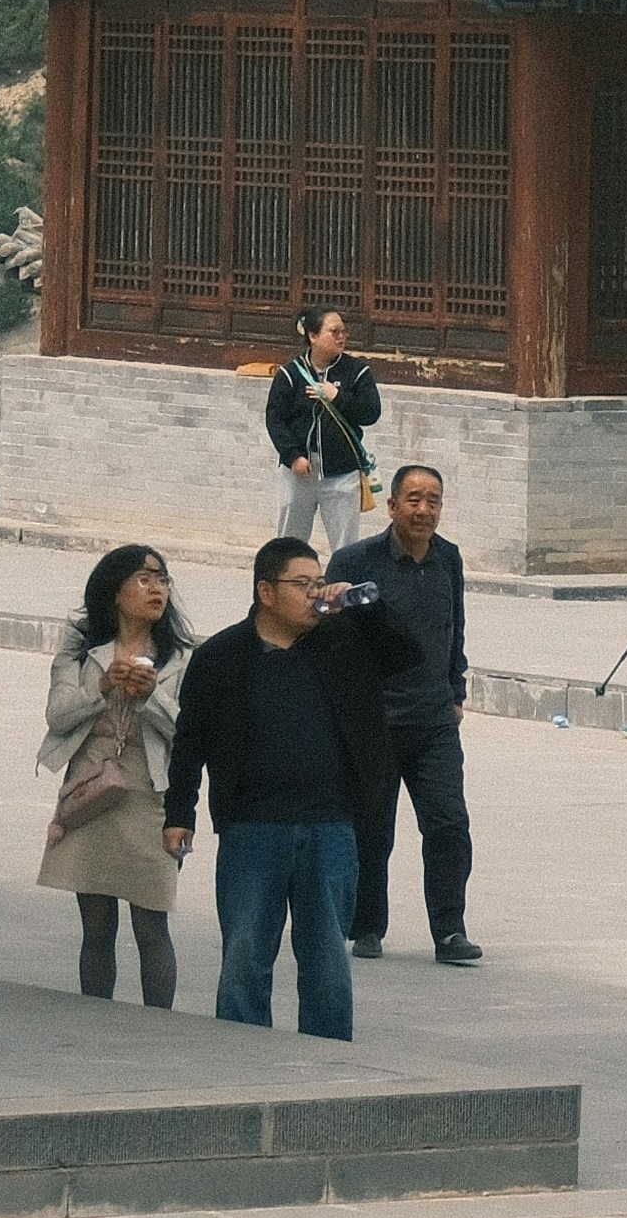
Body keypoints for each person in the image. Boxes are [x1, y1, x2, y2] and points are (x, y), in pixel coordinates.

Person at [158, 533, 364, 1038]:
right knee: (247, 955)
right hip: (252, 830)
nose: (315, 593)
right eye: (303, 584)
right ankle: (242, 1053)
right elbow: (191, 741)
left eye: (320, 582)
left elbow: (405, 654)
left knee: (327, 961)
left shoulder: (340, 644)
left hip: (328, 826)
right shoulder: (223, 656)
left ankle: (330, 1055)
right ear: (266, 592)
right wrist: (179, 814)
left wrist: (360, 606)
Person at [325, 463, 480, 966]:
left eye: (433, 500)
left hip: (434, 719)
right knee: (373, 828)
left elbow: (454, 627)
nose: (423, 509)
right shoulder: (355, 559)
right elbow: (326, 635)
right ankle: (367, 925)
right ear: (391, 506)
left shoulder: (448, 559)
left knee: (449, 823)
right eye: (413, 499)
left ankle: (450, 931)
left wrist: (455, 690)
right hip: (374, 720)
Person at [38, 543, 188, 1006]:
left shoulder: (180, 657)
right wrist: (100, 688)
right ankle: (95, 1014)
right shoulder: (83, 652)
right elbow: (58, 717)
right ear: (115, 591)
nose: (156, 589)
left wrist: (150, 698)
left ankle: (157, 1021)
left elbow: (191, 732)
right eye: (144, 579)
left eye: (162, 580)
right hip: (91, 790)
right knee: (97, 925)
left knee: (151, 923)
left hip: (149, 792)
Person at [258, 302, 382, 542]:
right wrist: (293, 455)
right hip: (298, 471)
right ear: (313, 336)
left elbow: (371, 413)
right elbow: (275, 418)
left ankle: (344, 581)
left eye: (344, 331)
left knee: (345, 544)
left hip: (342, 471)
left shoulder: (357, 372)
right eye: (334, 332)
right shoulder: (290, 373)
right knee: (290, 542)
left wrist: (338, 397)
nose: (341, 337)